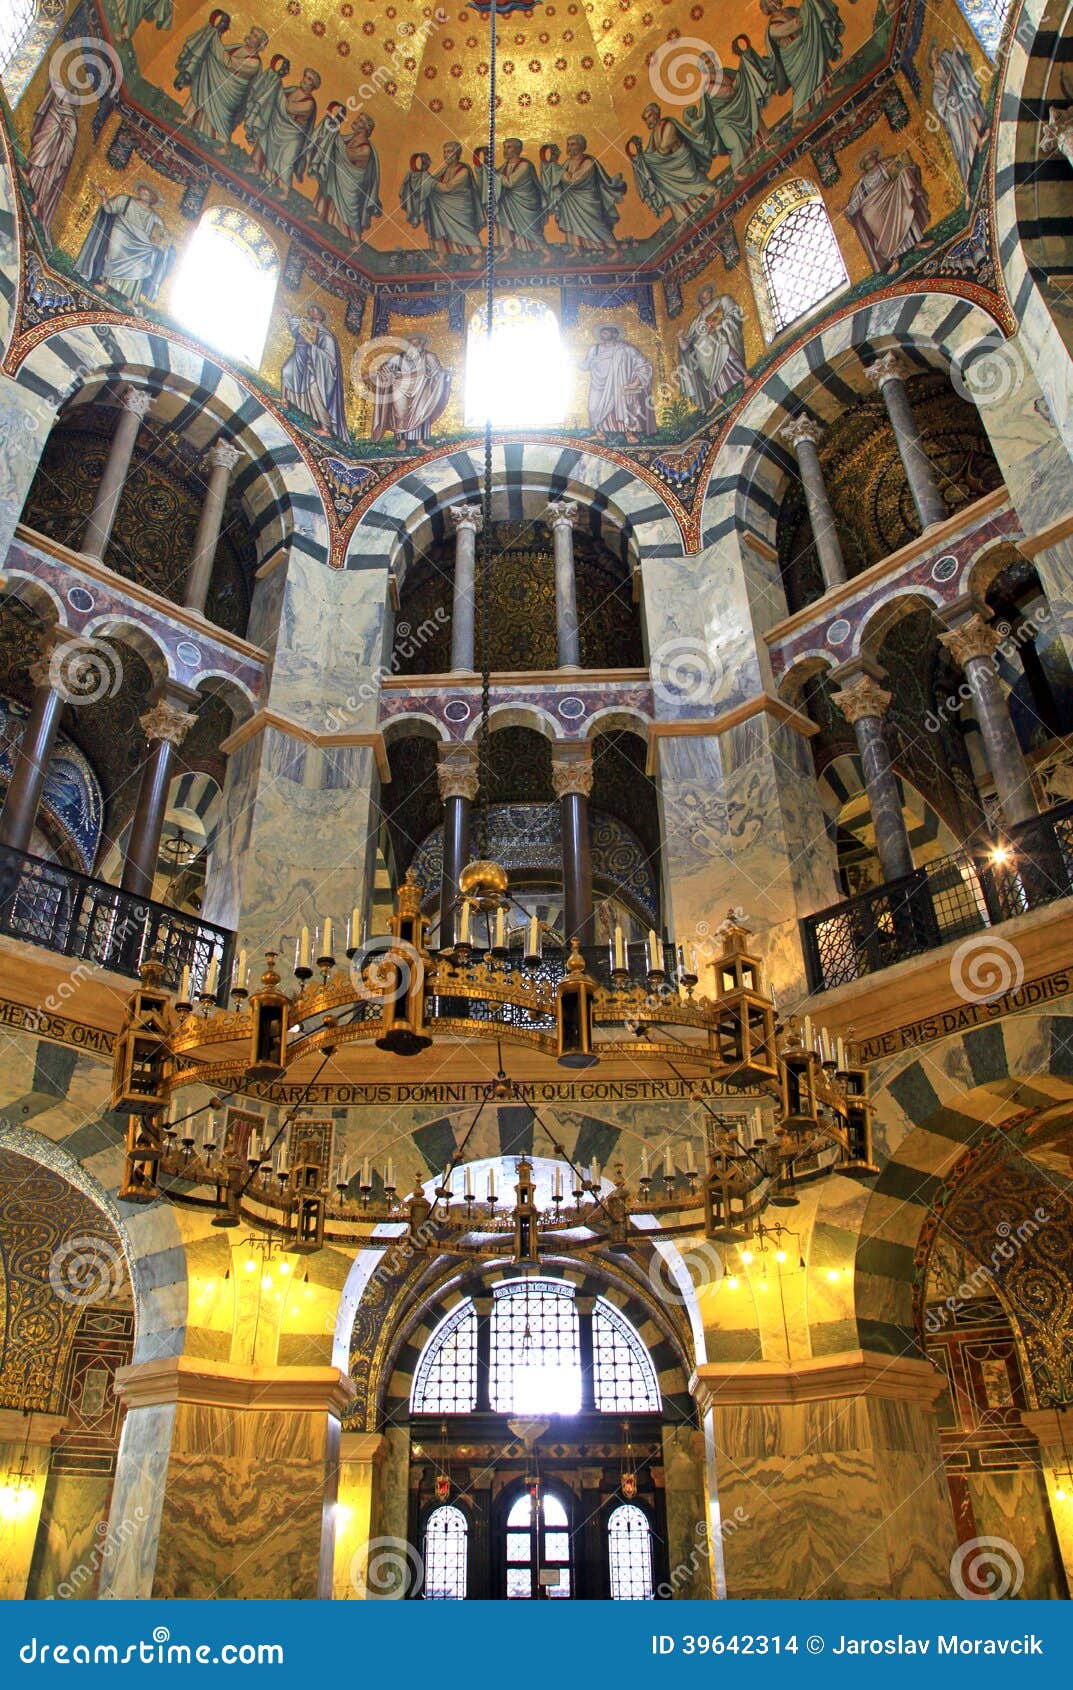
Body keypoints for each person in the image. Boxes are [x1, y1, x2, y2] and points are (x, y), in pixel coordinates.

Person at [76, 181, 173, 304]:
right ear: (139, 191)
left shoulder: (155, 217)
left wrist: (161, 242)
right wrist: (104, 197)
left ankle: (131, 298)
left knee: (140, 265)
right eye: (143, 191)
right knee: (113, 255)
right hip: (121, 233)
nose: (145, 194)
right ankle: (105, 285)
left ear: (153, 199)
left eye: (148, 194)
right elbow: (110, 209)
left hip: (141, 246)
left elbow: (163, 235)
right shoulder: (125, 200)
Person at [175, 16, 268, 143]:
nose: (252, 37)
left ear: (260, 44)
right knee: (206, 72)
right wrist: (213, 38)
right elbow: (221, 52)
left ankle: (218, 139)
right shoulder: (239, 47)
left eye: (256, 36)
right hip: (221, 80)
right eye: (252, 33)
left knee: (211, 79)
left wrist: (215, 38)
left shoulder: (254, 62)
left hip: (230, 91)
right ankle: (189, 120)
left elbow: (228, 62)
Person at [686, 42, 770, 171]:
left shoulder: (725, 72)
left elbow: (740, 78)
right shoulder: (708, 85)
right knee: (735, 143)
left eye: (710, 60)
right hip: (726, 120)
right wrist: (739, 81)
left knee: (754, 115)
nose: (710, 64)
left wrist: (744, 64)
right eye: (706, 63)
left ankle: (767, 145)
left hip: (740, 108)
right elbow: (729, 92)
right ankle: (738, 171)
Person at [845, 147, 931, 274]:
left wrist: (907, 168)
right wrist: (847, 210)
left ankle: (917, 242)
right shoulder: (861, 184)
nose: (871, 161)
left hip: (894, 197)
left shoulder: (887, 164)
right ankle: (894, 259)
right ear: (864, 166)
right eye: (867, 160)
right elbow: (852, 206)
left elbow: (904, 165)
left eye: (871, 157)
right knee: (870, 215)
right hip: (875, 210)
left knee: (905, 206)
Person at [630, 104, 716, 223]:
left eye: (650, 116)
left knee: (693, 181)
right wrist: (639, 156)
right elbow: (650, 153)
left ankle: (716, 193)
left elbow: (664, 150)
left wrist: (646, 158)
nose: (648, 120)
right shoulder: (654, 133)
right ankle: (683, 218)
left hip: (681, 161)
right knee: (665, 187)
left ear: (657, 113)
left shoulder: (668, 125)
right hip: (670, 166)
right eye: (646, 118)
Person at [759, 0, 846, 117]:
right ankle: (799, 115)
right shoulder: (772, 27)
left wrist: (810, 7)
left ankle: (828, 91)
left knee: (818, 64)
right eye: (769, 2)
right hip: (795, 57)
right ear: (766, 8)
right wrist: (807, 11)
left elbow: (806, 17)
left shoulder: (789, 11)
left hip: (807, 45)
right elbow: (795, 25)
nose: (774, 1)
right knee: (804, 83)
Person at [929, 40, 987, 209]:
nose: (938, 64)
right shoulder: (935, 90)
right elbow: (941, 110)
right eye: (935, 63)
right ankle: (967, 192)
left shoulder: (948, 74)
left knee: (971, 122)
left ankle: (979, 140)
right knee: (961, 150)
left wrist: (956, 48)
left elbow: (956, 62)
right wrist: (946, 88)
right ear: (933, 68)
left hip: (959, 110)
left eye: (938, 59)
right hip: (952, 118)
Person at [246, 61, 320, 193]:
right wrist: (275, 82)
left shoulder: (309, 104)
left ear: (313, 85)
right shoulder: (293, 90)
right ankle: (256, 167)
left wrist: (278, 88)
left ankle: (285, 191)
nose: (304, 80)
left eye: (309, 79)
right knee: (264, 136)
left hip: (292, 135)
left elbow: (288, 108)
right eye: (305, 76)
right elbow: (275, 95)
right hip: (277, 126)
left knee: (286, 161)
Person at [308, 108, 381, 240]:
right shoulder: (350, 138)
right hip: (339, 173)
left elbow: (348, 155)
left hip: (351, 184)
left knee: (351, 213)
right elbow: (336, 143)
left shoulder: (365, 149)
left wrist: (335, 135)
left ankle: (357, 242)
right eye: (358, 118)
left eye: (360, 121)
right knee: (328, 181)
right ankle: (321, 216)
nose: (356, 121)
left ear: (365, 128)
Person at [545, 134, 626, 250]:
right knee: (571, 224)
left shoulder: (588, 162)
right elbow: (558, 178)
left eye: (573, 144)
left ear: (581, 146)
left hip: (587, 201)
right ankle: (576, 250)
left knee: (596, 225)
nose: (569, 147)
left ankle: (615, 249)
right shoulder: (568, 162)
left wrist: (556, 166)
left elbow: (573, 180)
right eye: (568, 144)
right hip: (570, 200)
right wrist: (551, 165)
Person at [401, 141, 483, 256]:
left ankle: (480, 256)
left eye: (449, 151)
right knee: (438, 227)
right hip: (443, 206)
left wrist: (428, 179)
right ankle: (442, 257)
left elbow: (446, 188)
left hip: (459, 208)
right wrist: (421, 173)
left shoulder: (464, 171)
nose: (446, 154)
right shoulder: (445, 169)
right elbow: (434, 181)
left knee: (464, 232)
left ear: (456, 153)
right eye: (444, 152)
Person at [370, 336, 452, 449]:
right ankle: (401, 441)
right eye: (410, 344)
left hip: (421, 390)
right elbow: (385, 369)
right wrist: (383, 369)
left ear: (421, 345)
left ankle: (420, 442)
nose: (413, 347)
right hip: (400, 388)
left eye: (416, 344)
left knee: (421, 412)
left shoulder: (428, 356)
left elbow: (438, 372)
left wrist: (445, 374)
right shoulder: (398, 358)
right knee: (400, 414)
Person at [281, 303, 348, 439]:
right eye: (310, 310)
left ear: (321, 315)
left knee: (314, 392)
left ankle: (325, 428)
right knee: (286, 370)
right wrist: (288, 315)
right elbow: (296, 329)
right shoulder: (307, 325)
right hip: (303, 362)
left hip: (318, 372)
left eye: (315, 310)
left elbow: (330, 360)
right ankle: (284, 399)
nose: (311, 312)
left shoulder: (326, 336)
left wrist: (312, 346)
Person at [580, 325, 656, 441]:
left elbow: (643, 365)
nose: (603, 333)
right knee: (593, 407)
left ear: (615, 334)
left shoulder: (626, 349)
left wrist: (636, 382)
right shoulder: (594, 350)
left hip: (618, 385)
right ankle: (599, 432)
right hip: (598, 385)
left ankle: (628, 433)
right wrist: (571, 361)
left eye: (607, 332)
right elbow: (585, 365)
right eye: (602, 332)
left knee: (623, 407)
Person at [676, 286, 748, 408]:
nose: (705, 296)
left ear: (710, 292)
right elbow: (685, 347)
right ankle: (716, 396)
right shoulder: (697, 319)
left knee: (722, 342)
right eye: (702, 295)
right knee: (699, 355)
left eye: (706, 292)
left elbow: (735, 313)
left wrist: (720, 326)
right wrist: (679, 338)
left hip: (720, 338)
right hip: (704, 352)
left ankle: (744, 377)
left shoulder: (722, 300)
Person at [25, 85, 78, 237]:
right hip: (44, 147)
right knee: (37, 159)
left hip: (55, 159)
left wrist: (63, 133)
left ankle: (37, 201)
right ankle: (29, 176)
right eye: (69, 95)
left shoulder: (71, 120)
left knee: (45, 179)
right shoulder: (56, 106)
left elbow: (69, 145)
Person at [495, 138, 547, 254]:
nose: (506, 150)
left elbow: (509, 182)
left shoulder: (525, 166)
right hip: (507, 202)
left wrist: (493, 174)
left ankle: (547, 253)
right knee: (505, 226)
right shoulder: (504, 166)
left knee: (531, 229)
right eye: (505, 147)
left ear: (517, 149)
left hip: (525, 203)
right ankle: (506, 253)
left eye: (509, 147)